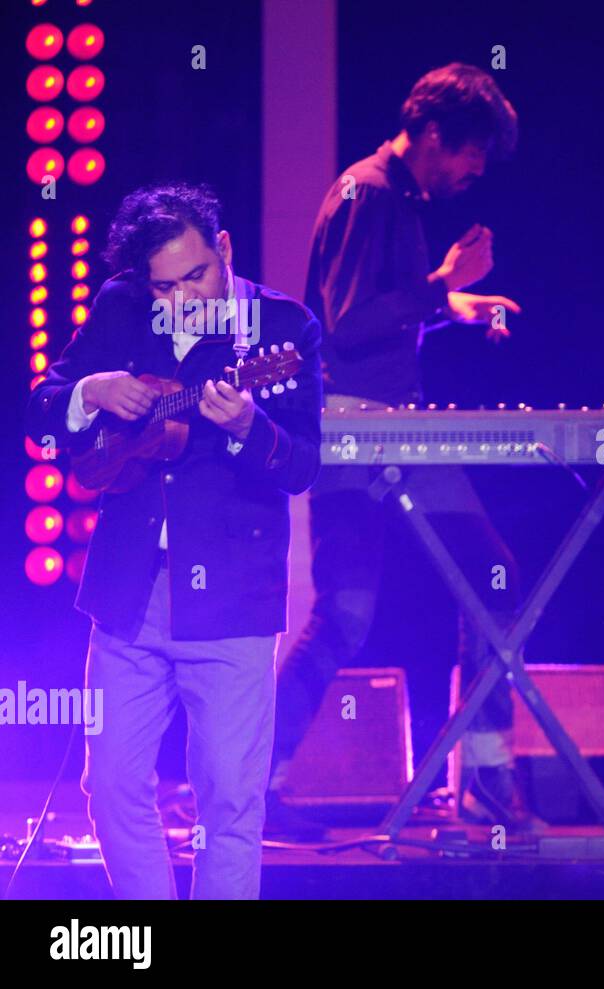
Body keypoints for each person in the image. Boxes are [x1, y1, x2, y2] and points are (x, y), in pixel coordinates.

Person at [24, 182, 323, 898]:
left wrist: (251, 427)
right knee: (112, 785)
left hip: (231, 597)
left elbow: (304, 461)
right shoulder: (121, 308)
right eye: (167, 286)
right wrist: (90, 389)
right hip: (130, 593)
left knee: (227, 800)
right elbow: (41, 405)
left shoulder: (281, 329)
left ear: (223, 250)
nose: (185, 296)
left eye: (197, 275)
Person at [268, 62, 535, 834]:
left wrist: (452, 304)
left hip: (393, 423)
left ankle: (485, 784)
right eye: (471, 153)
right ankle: (256, 786)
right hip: (358, 426)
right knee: (350, 611)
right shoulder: (369, 190)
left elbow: (382, 310)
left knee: (485, 580)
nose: (476, 171)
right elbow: (345, 324)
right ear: (432, 133)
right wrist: (443, 280)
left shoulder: (400, 197)